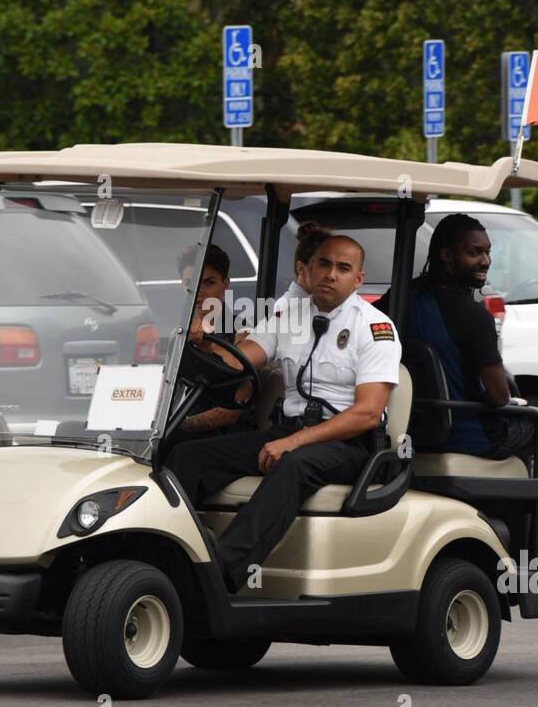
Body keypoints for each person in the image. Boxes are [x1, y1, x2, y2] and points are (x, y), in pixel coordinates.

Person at [170, 235, 402, 592]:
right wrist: (199, 341)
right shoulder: (287, 316)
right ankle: (170, 551)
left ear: (358, 279)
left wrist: (294, 441)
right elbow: (237, 361)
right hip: (290, 433)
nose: (330, 274)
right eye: (324, 264)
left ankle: (222, 571)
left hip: (347, 444)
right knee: (189, 455)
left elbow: (367, 414)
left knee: (292, 464)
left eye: (343, 268)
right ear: (307, 269)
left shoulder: (374, 328)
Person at [375, 213, 538, 517]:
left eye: (487, 252)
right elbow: (498, 397)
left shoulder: (398, 300)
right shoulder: (475, 317)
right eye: (474, 253)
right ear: (446, 255)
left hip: (415, 428)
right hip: (469, 432)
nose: (485, 260)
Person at [174, 243, 250, 439]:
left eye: (208, 282)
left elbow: (235, 410)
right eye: (190, 283)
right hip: (178, 424)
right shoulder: (180, 332)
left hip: (223, 436)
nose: (199, 291)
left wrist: (179, 427)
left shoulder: (243, 332)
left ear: (226, 283)